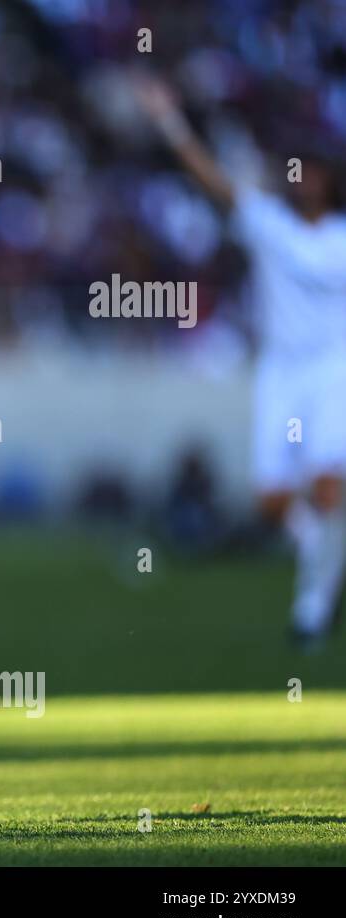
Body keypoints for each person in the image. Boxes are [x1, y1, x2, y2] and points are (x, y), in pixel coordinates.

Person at [138, 75, 346, 652]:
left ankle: (312, 608)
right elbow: (213, 182)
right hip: (281, 370)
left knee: (330, 486)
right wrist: (169, 121)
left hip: (335, 369)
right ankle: (325, 562)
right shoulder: (269, 223)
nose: (303, 180)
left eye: (314, 171)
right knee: (275, 499)